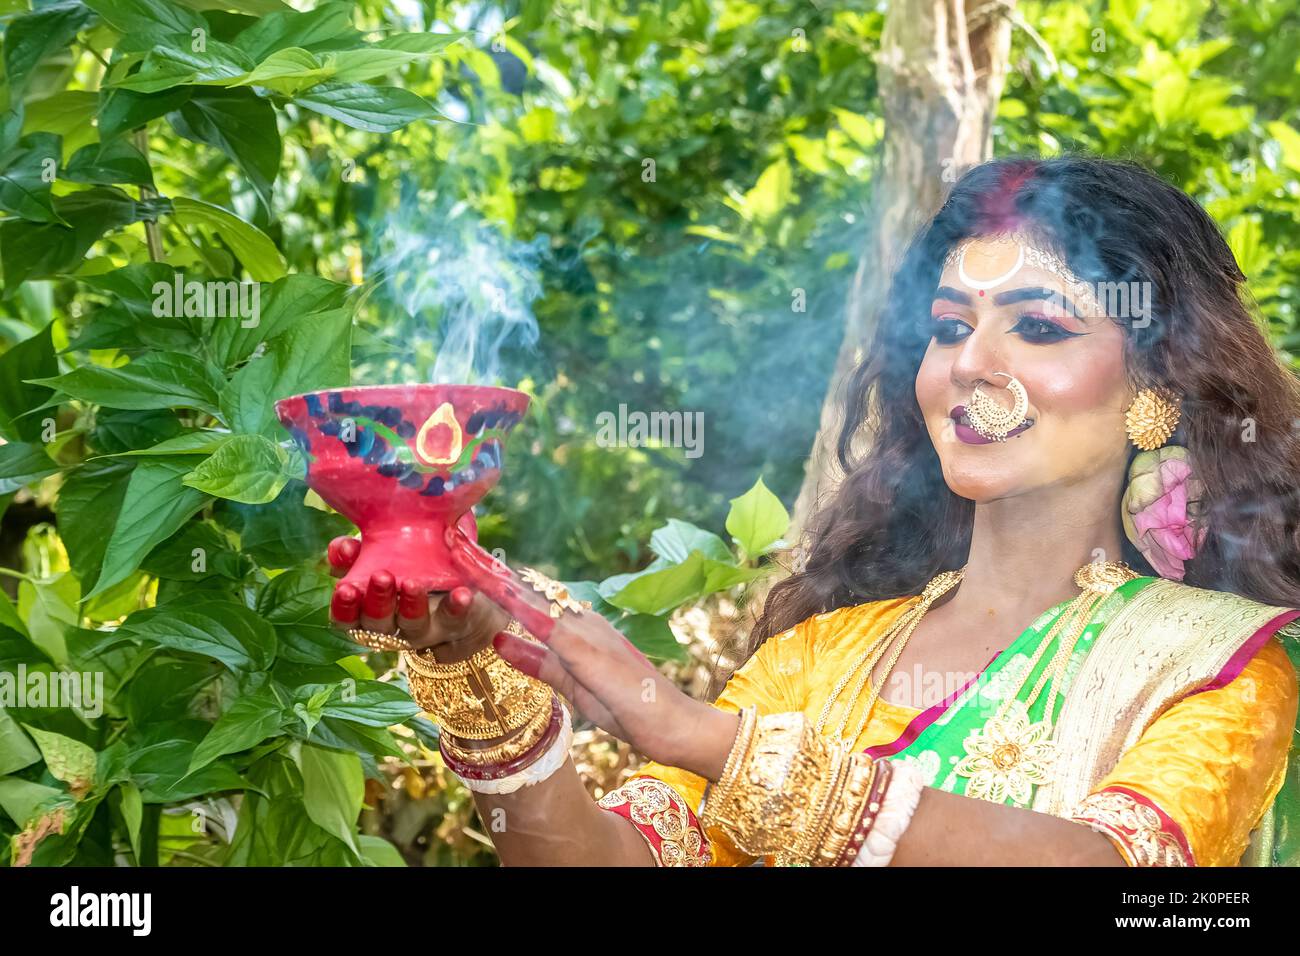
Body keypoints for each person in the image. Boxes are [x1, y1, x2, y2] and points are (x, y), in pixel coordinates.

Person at [329, 156, 1300, 867]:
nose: (970, 363)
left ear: (1156, 390)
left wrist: (694, 730)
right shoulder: (819, 656)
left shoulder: (1214, 664)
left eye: (1038, 326)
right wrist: (482, 690)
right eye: (949, 327)